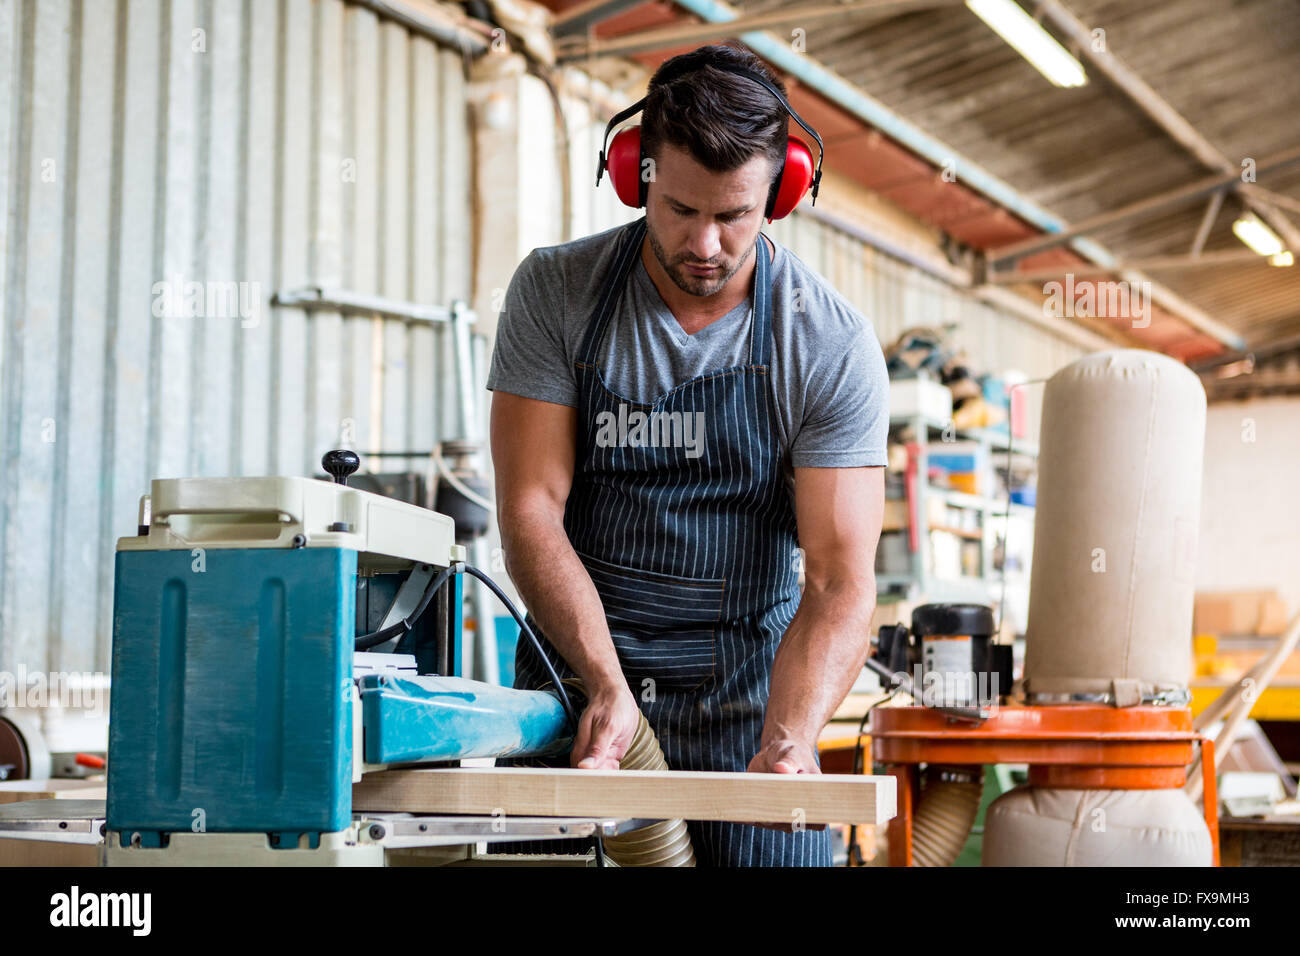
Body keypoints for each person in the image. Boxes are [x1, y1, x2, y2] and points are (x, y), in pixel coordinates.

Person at [486, 43, 887, 867]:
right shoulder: (556, 292)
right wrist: (605, 683)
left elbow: (839, 580)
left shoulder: (827, 341)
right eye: (680, 209)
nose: (705, 242)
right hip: (575, 688)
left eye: (734, 215)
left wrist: (792, 739)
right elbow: (530, 508)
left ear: (781, 193)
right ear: (638, 174)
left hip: (752, 698)